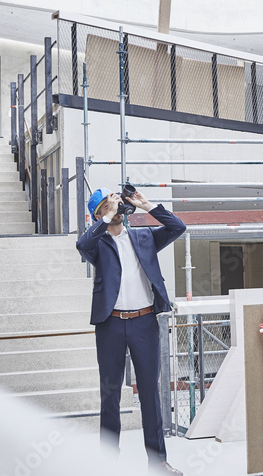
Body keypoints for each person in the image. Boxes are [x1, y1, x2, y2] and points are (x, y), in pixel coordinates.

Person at [77, 186, 186, 474]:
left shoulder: (144, 236)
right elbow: (82, 246)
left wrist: (148, 205)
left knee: (150, 392)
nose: (115, 207)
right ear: (98, 214)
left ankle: (158, 462)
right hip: (110, 323)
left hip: (144, 322)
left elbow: (178, 227)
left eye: (116, 202)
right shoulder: (97, 243)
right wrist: (104, 217)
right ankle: (108, 462)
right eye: (107, 205)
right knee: (110, 394)